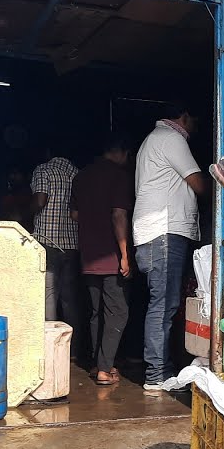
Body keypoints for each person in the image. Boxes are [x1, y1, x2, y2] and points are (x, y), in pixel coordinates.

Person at [132, 102, 210, 390]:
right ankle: (156, 374)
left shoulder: (152, 141)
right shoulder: (171, 138)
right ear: (184, 115)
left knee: (162, 304)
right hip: (164, 232)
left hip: (155, 233)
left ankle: (160, 369)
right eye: (194, 120)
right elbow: (199, 183)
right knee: (163, 305)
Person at [71, 133, 134, 386]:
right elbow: (119, 216)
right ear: (119, 152)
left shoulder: (81, 176)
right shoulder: (119, 176)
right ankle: (105, 369)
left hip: (89, 253)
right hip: (110, 254)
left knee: (97, 312)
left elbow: (75, 214)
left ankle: (99, 362)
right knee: (118, 311)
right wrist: (125, 254)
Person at [31, 146, 85, 346]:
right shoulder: (77, 173)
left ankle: (50, 345)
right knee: (69, 297)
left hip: (47, 240)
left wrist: (27, 212)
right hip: (71, 243)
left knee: (49, 295)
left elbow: (40, 200)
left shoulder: (43, 170)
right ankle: (73, 348)